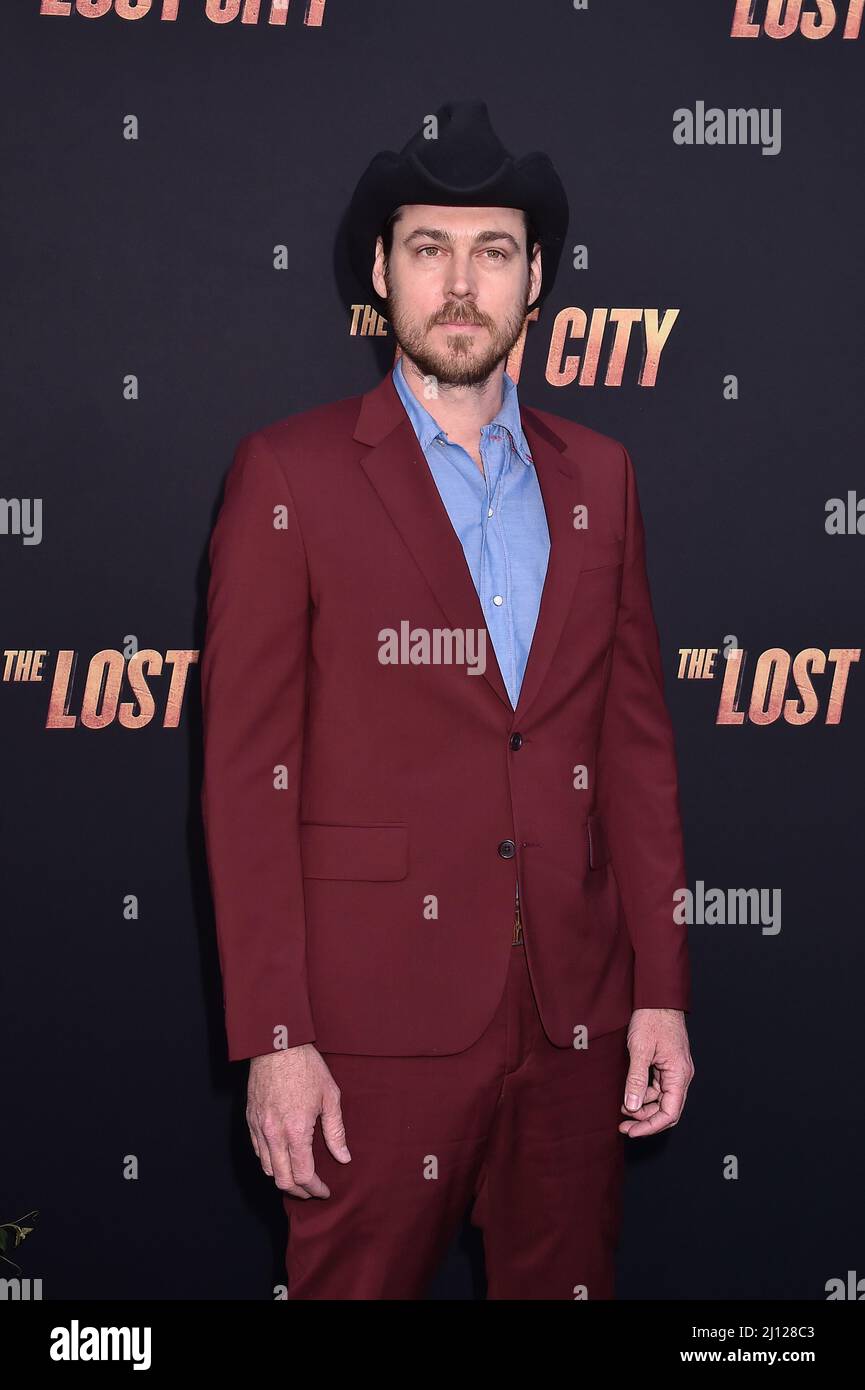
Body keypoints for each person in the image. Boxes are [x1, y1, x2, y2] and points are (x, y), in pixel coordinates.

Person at [200, 98, 694, 1300]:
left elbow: (634, 755)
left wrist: (660, 994)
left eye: (494, 252)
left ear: (537, 281)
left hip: (575, 1025)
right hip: (368, 1031)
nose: (462, 284)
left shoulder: (604, 478)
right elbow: (246, 782)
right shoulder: (289, 474)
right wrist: (275, 1036)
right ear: (382, 273)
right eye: (430, 249)